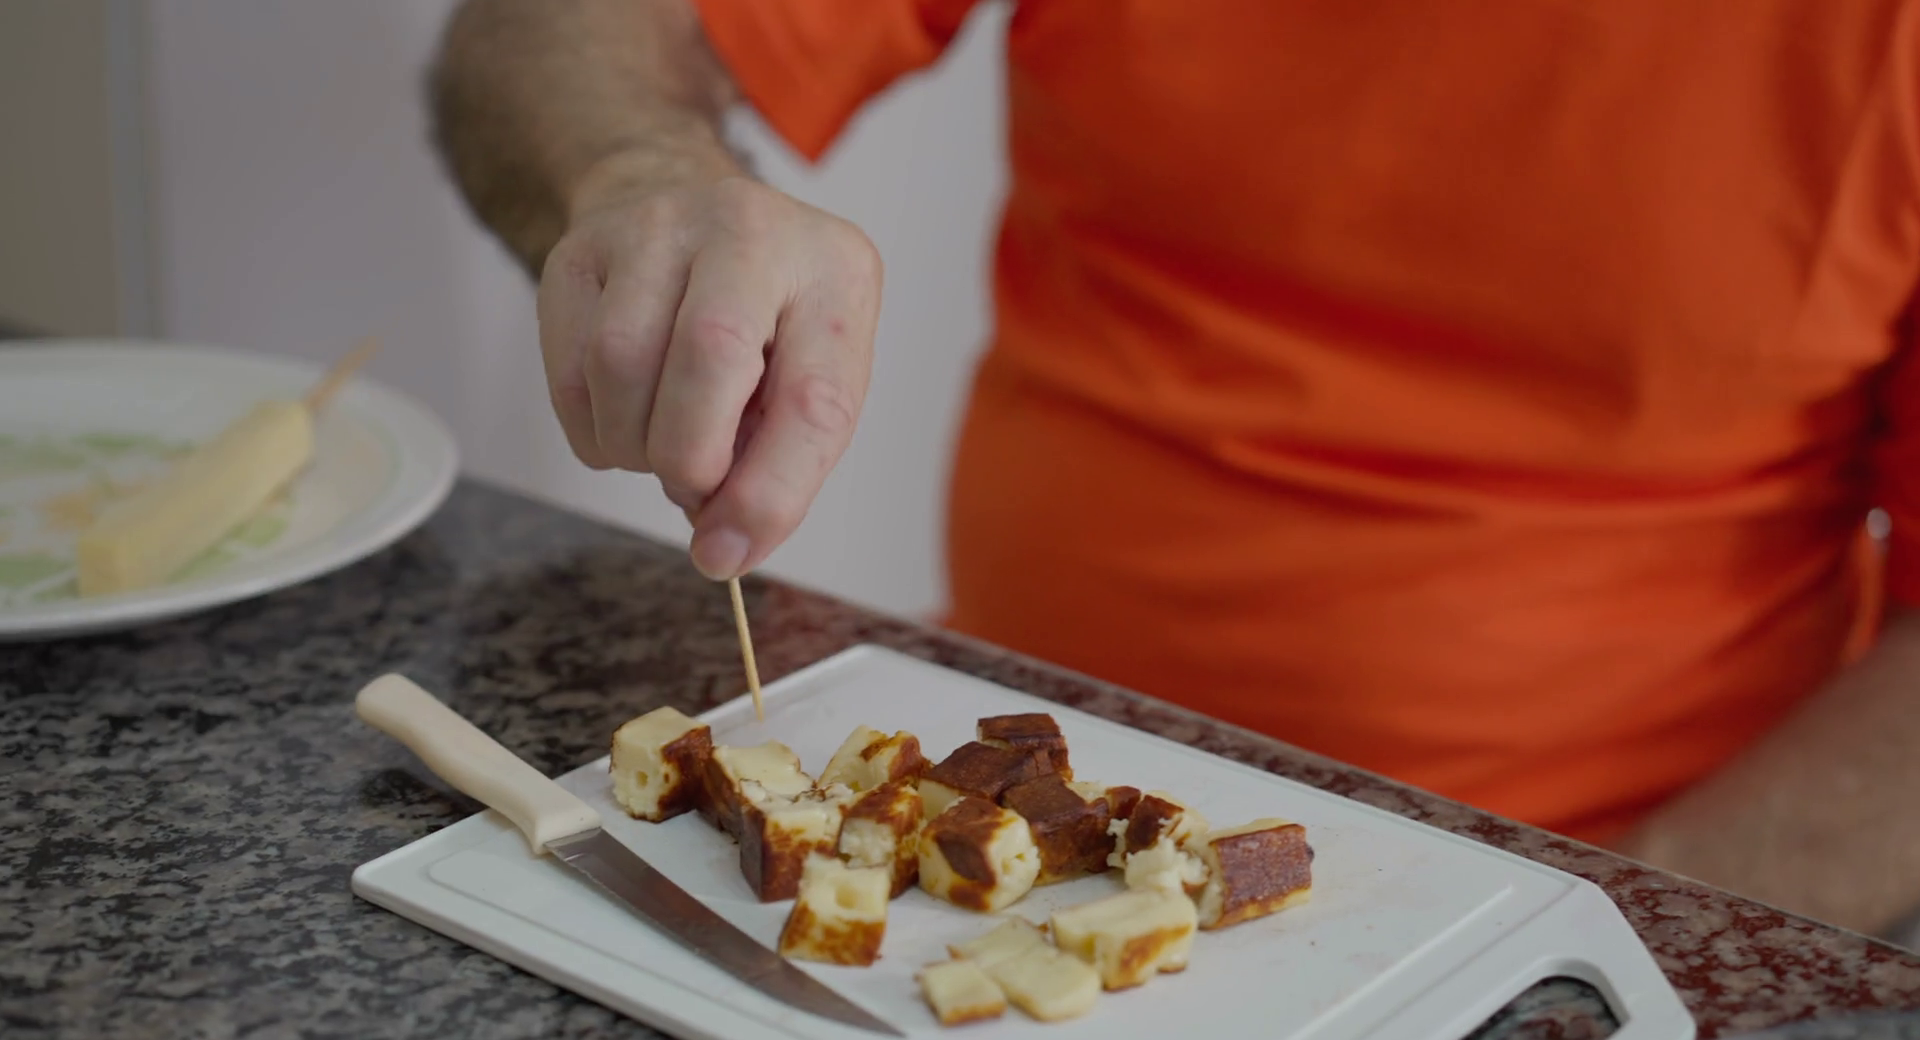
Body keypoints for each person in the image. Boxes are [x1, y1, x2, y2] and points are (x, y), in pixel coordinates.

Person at [428, 0, 1920, 934]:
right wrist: (642, 175)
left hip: (1606, 880)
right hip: (1005, 804)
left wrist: (1603, 934)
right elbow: (550, 26)